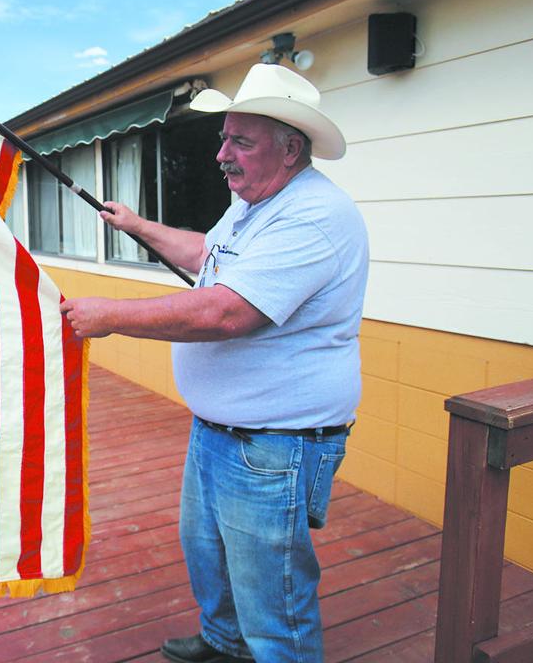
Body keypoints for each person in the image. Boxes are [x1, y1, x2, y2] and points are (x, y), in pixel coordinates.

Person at [60, 63, 369, 663]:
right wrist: (138, 226)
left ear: (290, 149)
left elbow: (229, 312)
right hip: (222, 430)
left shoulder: (315, 216)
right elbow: (208, 253)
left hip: (276, 443)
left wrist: (110, 315)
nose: (222, 154)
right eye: (223, 138)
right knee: (210, 554)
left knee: (274, 594)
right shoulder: (254, 202)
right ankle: (224, 643)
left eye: (240, 142)